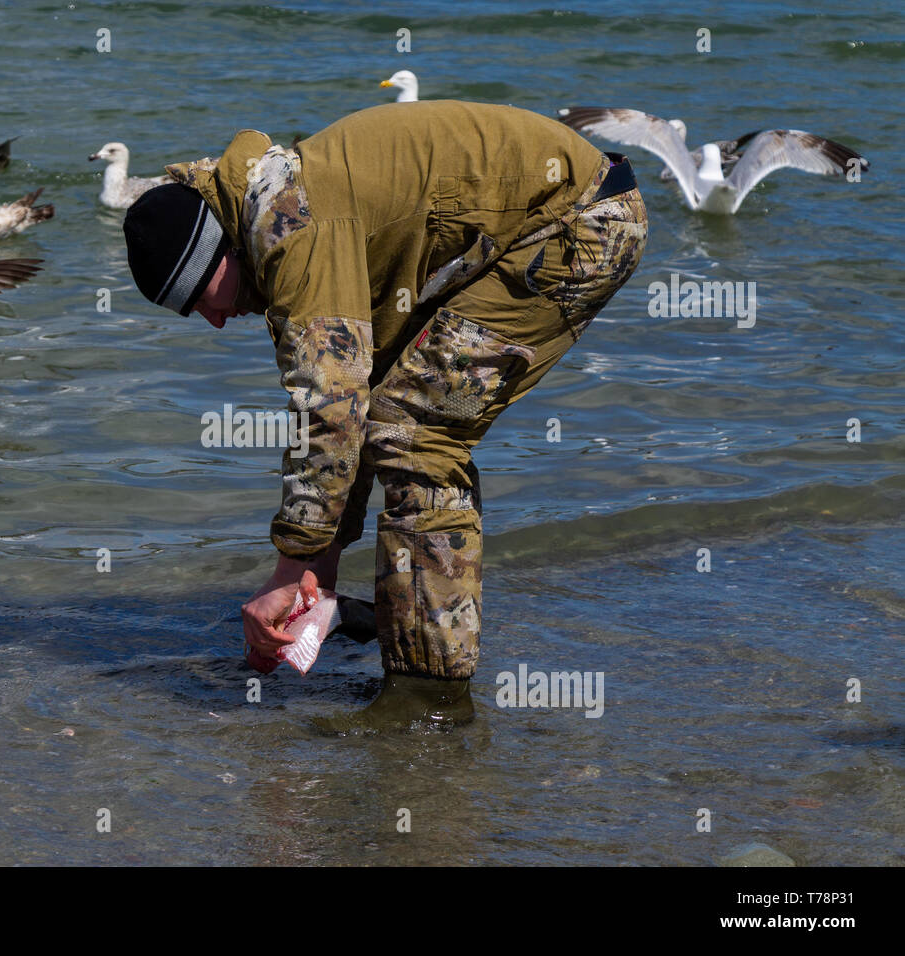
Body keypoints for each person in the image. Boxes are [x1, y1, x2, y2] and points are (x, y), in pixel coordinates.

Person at [122, 99, 647, 730]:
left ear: (221, 253)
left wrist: (292, 566)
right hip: (542, 220)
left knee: (415, 436)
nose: (209, 319)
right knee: (396, 407)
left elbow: (333, 408)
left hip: (579, 225)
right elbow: (345, 397)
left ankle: (428, 701)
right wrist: (318, 565)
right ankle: (398, 632)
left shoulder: (290, 228)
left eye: (199, 297)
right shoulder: (270, 209)